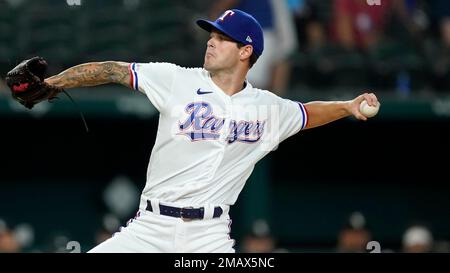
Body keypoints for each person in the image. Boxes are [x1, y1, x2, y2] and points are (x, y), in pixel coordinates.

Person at [42, 9, 379, 252]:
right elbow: (113, 70)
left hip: (208, 234)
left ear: (246, 51)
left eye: (222, 38)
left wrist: (347, 106)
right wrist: (52, 84)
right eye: (211, 35)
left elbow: (307, 113)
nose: (211, 42)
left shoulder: (266, 107)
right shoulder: (177, 79)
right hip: (149, 228)